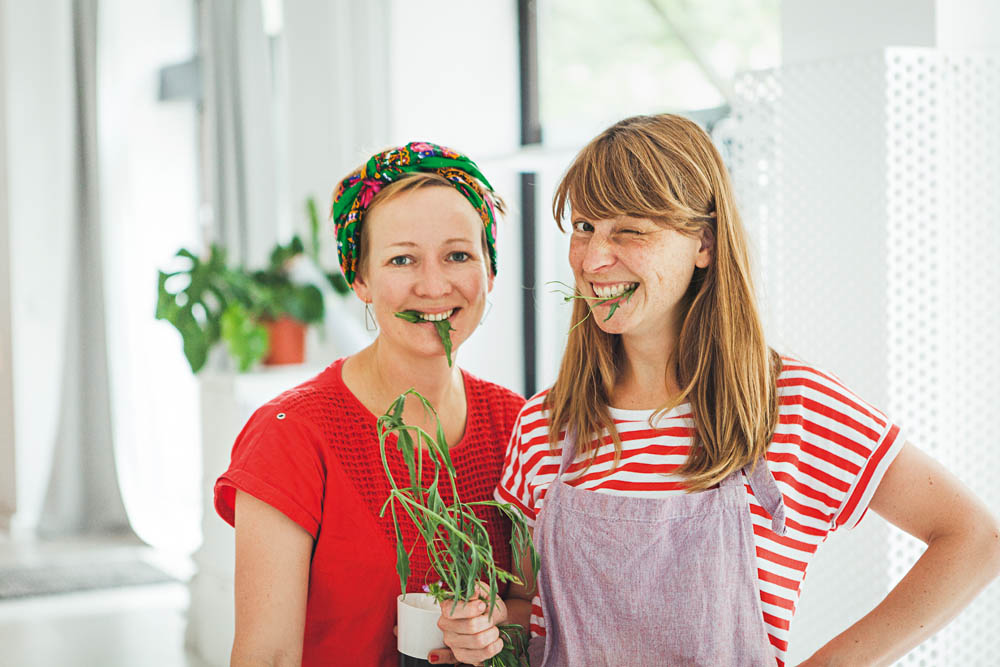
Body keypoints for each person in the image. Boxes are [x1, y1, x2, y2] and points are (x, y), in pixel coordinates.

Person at [433, 114, 1000, 666]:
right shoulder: (544, 424)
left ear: (703, 243)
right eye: (584, 227)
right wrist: (483, 629)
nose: (594, 259)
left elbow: (975, 539)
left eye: (629, 230)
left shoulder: (790, 405)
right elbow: (530, 612)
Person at [214, 142, 525, 667]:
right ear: (360, 279)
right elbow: (267, 656)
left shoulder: (517, 425)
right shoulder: (290, 435)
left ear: (489, 272)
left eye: (458, 255)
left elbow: (533, 610)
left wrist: (493, 624)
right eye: (402, 259)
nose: (434, 285)